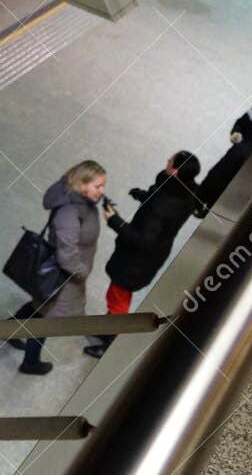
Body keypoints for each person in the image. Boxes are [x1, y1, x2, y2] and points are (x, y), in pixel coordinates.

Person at [86, 151, 202, 359]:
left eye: (170, 161)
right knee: (118, 295)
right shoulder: (185, 193)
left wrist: (115, 220)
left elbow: (142, 240)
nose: (166, 160)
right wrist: (143, 196)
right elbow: (162, 213)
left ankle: (110, 342)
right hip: (154, 256)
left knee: (118, 297)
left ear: (175, 171)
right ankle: (107, 328)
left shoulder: (162, 201)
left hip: (135, 261)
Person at [7, 160, 109, 375]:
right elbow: (66, 253)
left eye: (103, 185)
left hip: (66, 275)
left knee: (41, 305)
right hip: (65, 276)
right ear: (82, 184)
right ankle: (30, 363)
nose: (102, 191)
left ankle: (11, 328)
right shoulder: (69, 213)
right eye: (98, 186)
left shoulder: (81, 202)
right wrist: (81, 272)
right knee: (46, 319)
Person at [195, 86, 252, 215]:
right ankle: (199, 201)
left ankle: (212, 209)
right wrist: (237, 131)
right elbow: (243, 121)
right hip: (238, 153)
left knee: (230, 186)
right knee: (217, 175)